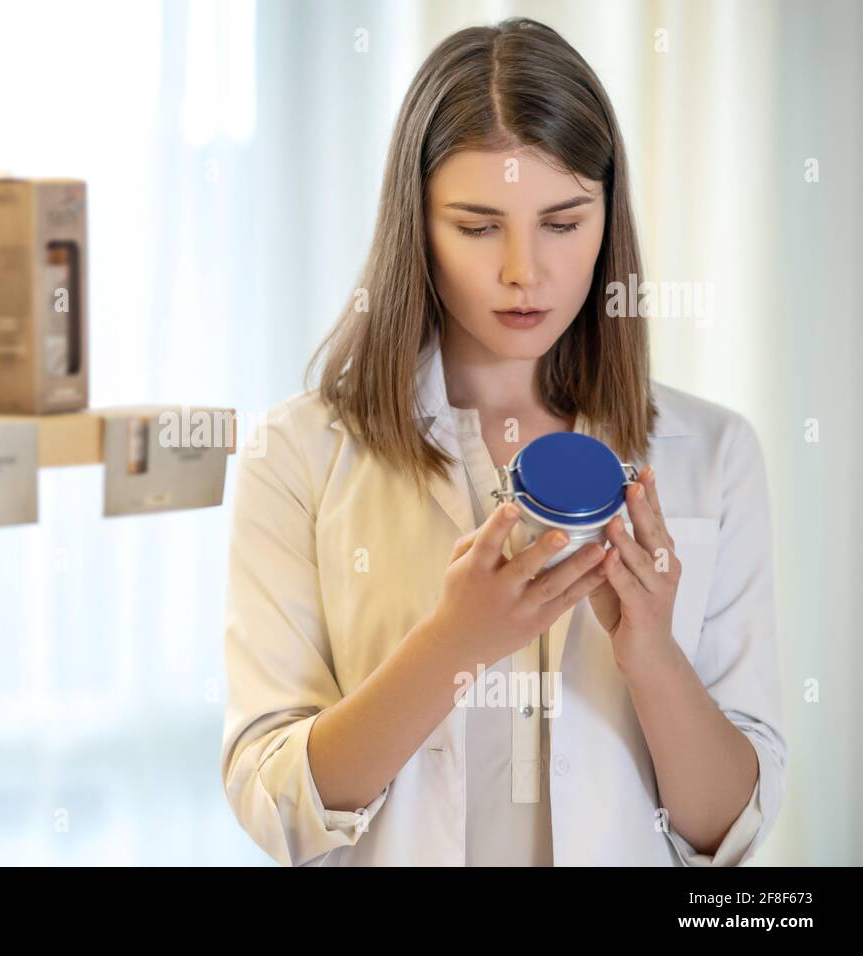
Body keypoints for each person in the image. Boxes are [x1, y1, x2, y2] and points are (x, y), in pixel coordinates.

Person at [220, 17, 786, 866]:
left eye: (562, 223)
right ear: (418, 228)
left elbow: (730, 832)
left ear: (607, 222)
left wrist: (653, 659)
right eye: (479, 227)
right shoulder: (295, 455)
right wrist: (454, 643)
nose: (525, 270)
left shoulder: (716, 454)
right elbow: (280, 811)